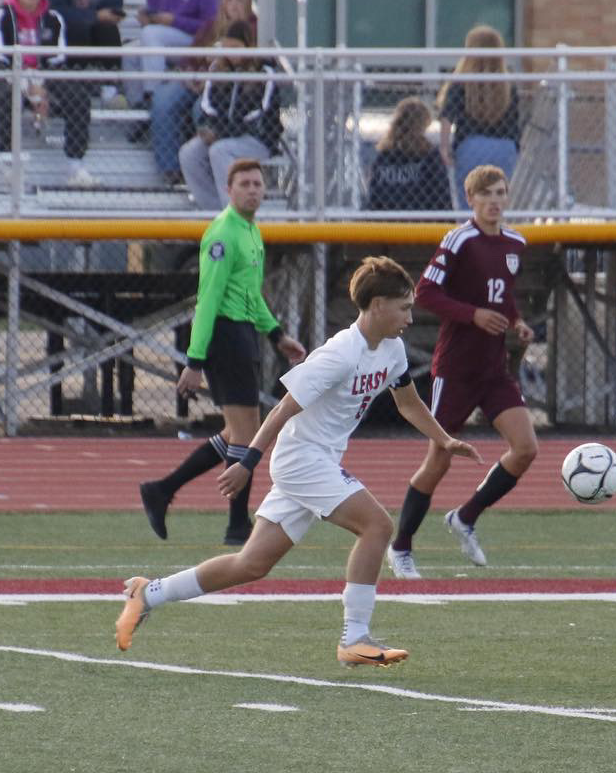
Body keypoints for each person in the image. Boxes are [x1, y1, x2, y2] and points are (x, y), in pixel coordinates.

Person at [116, 256, 481, 667]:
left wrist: (445, 439)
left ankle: (149, 593)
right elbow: (281, 410)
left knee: (251, 564)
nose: (410, 318)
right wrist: (245, 462)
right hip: (301, 459)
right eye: (404, 307)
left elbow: (408, 403)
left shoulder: (392, 350)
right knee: (377, 525)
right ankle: (354, 638)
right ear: (377, 305)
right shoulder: (339, 354)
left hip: (317, 460)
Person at [139, 158, 306, 546]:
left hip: (243, 334)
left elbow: (250, 293)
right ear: (229, 191)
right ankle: (236, 524)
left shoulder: (251, 231)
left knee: (236, 431)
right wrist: (194, 361)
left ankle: (162, 490)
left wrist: (276, 334)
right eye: (244, 184)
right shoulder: (223, 234)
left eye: (257, 184)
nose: (252, 190)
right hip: (225, 337)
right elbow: (209, 299)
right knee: (248, 431)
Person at [386, 164, 537, 579]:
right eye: (485, 193)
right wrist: (473, 315)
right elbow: (426, 292)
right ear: (470, 199)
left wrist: (516, 321)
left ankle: (465, 517)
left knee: (525, 448)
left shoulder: (514, 243)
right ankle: (400, 548)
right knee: (439, 460)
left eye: (501, 192)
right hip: (455, 369)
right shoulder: (459, 239)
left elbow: (503, 299)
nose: (494, 200)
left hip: (493, 369)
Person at [0, 0, 95, 185]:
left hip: (43, 78)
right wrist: (28, 88)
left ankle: (75, 166)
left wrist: (40, 87)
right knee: (7, 97)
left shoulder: (53, 19)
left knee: (79, 97)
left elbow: (57, 61)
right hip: (5, 78)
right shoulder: (1, 15)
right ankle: (10, 165)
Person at [146, 0, 256, 184]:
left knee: (201, 110)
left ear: (248, 3)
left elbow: (251, 64)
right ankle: (170, 170)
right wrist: (190, 76)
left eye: (239, 1)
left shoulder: (254, 28)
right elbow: (190, 58)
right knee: (163, 99)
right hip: (197, 80)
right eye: (229, 0)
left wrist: (210, 80)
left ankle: (207, 171)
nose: (233, 5)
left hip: (224, 89)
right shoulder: (211, 26)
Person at [178, 20, 283, 211]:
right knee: (189, 153)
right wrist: (208, 129)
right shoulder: (218, 69)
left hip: (257, 139)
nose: (230, 53)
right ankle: (214, 210)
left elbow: (258, 113)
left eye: (236, 47)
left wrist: (221, 133)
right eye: (226, 47)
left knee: (219, 151)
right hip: (223, 135)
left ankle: (234, 213)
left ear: (248, 46)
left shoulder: (264, 71)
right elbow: (207, 106)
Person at [121, 0, 219, 110]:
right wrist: (148, 19)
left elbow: (210, 26)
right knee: (129, 53)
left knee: (152, 34)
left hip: (194, 42)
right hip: (162, 41)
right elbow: (154, 21)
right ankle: (137, 105)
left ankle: (153, 95)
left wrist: (174, 21)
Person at [436, 24, 522, 210]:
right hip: (504, 147)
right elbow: (516, 122)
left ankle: (471, 236)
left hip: (470, 145)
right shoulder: (508, 84)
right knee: (496, 204)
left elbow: (447, 116)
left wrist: (444, 148)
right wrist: (516, 149)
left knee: (470, 203)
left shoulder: (461, 82)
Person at [365, 96, 452, 212]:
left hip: (386, 222)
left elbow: (373, 197)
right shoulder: (429, 155)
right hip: (423, 222)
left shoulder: (384, 155)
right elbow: (443, 196)